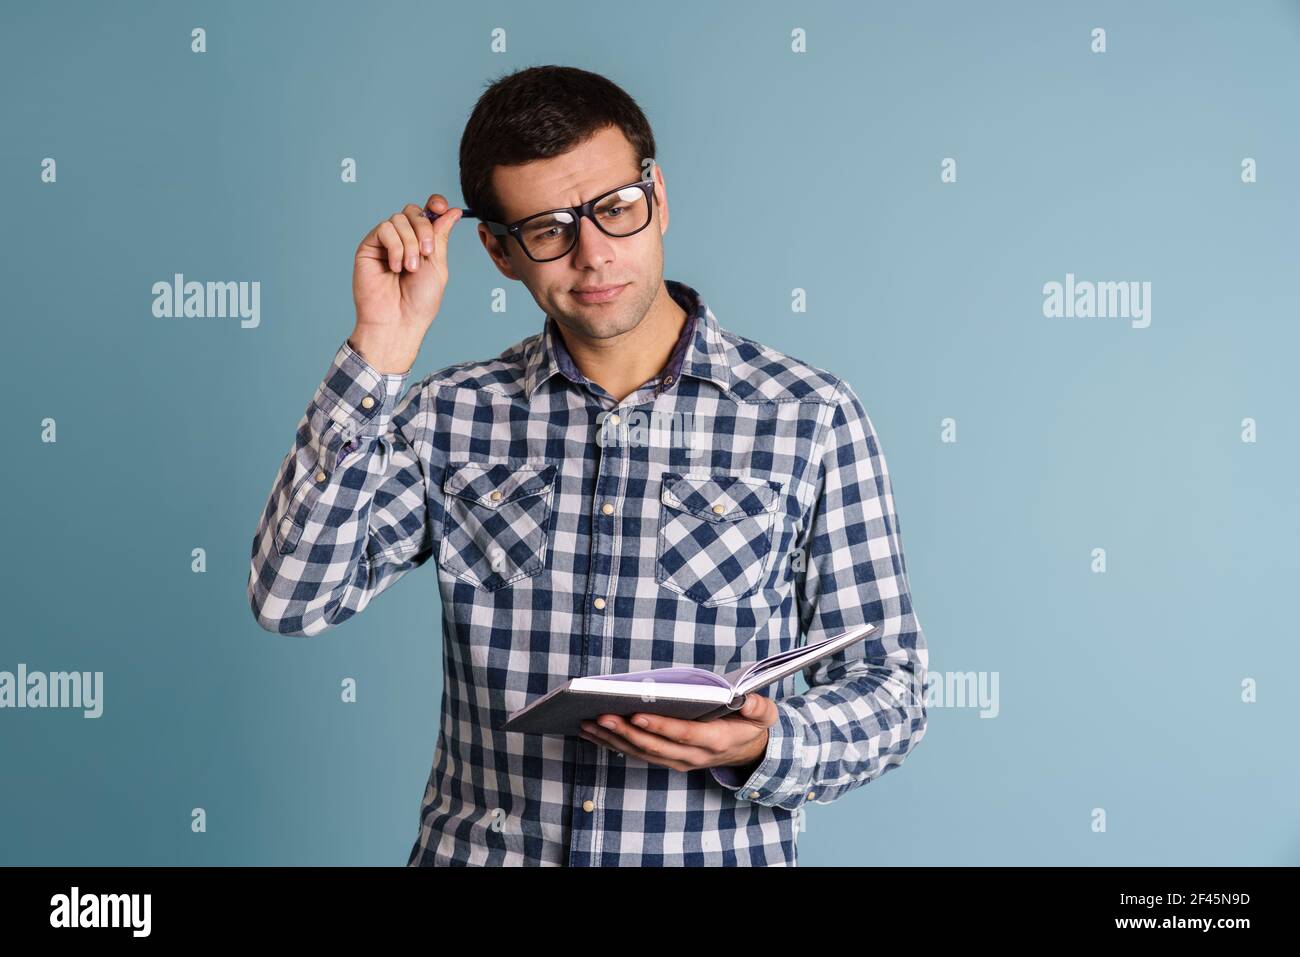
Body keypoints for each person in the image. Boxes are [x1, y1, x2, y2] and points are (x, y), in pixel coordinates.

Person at [247, 64, 928, 866]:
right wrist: (380, 353)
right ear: (502, 254)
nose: (594, 255)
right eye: (548, 230)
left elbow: (892, 690)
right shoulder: (449, 414)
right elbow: (292, 598)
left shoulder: (811, 415)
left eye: (615, 209)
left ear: (659, 197)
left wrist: (766, 743)